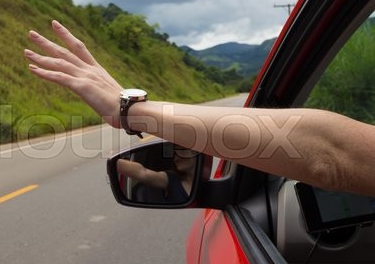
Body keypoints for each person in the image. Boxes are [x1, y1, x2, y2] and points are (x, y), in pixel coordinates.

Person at [24, 20, 375, 196]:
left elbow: (329, 154)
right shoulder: (176, 182)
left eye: (183, 156)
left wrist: (131, 111)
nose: (179, 158)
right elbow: (328, 152)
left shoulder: (181, 185)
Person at [117, 146, 198, 203]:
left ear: (197, 153)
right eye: (173, 152)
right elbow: (142, 172)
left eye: (182, 149)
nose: (176, 155)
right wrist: (114, 163)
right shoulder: (172, 179)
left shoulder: (208, 181)